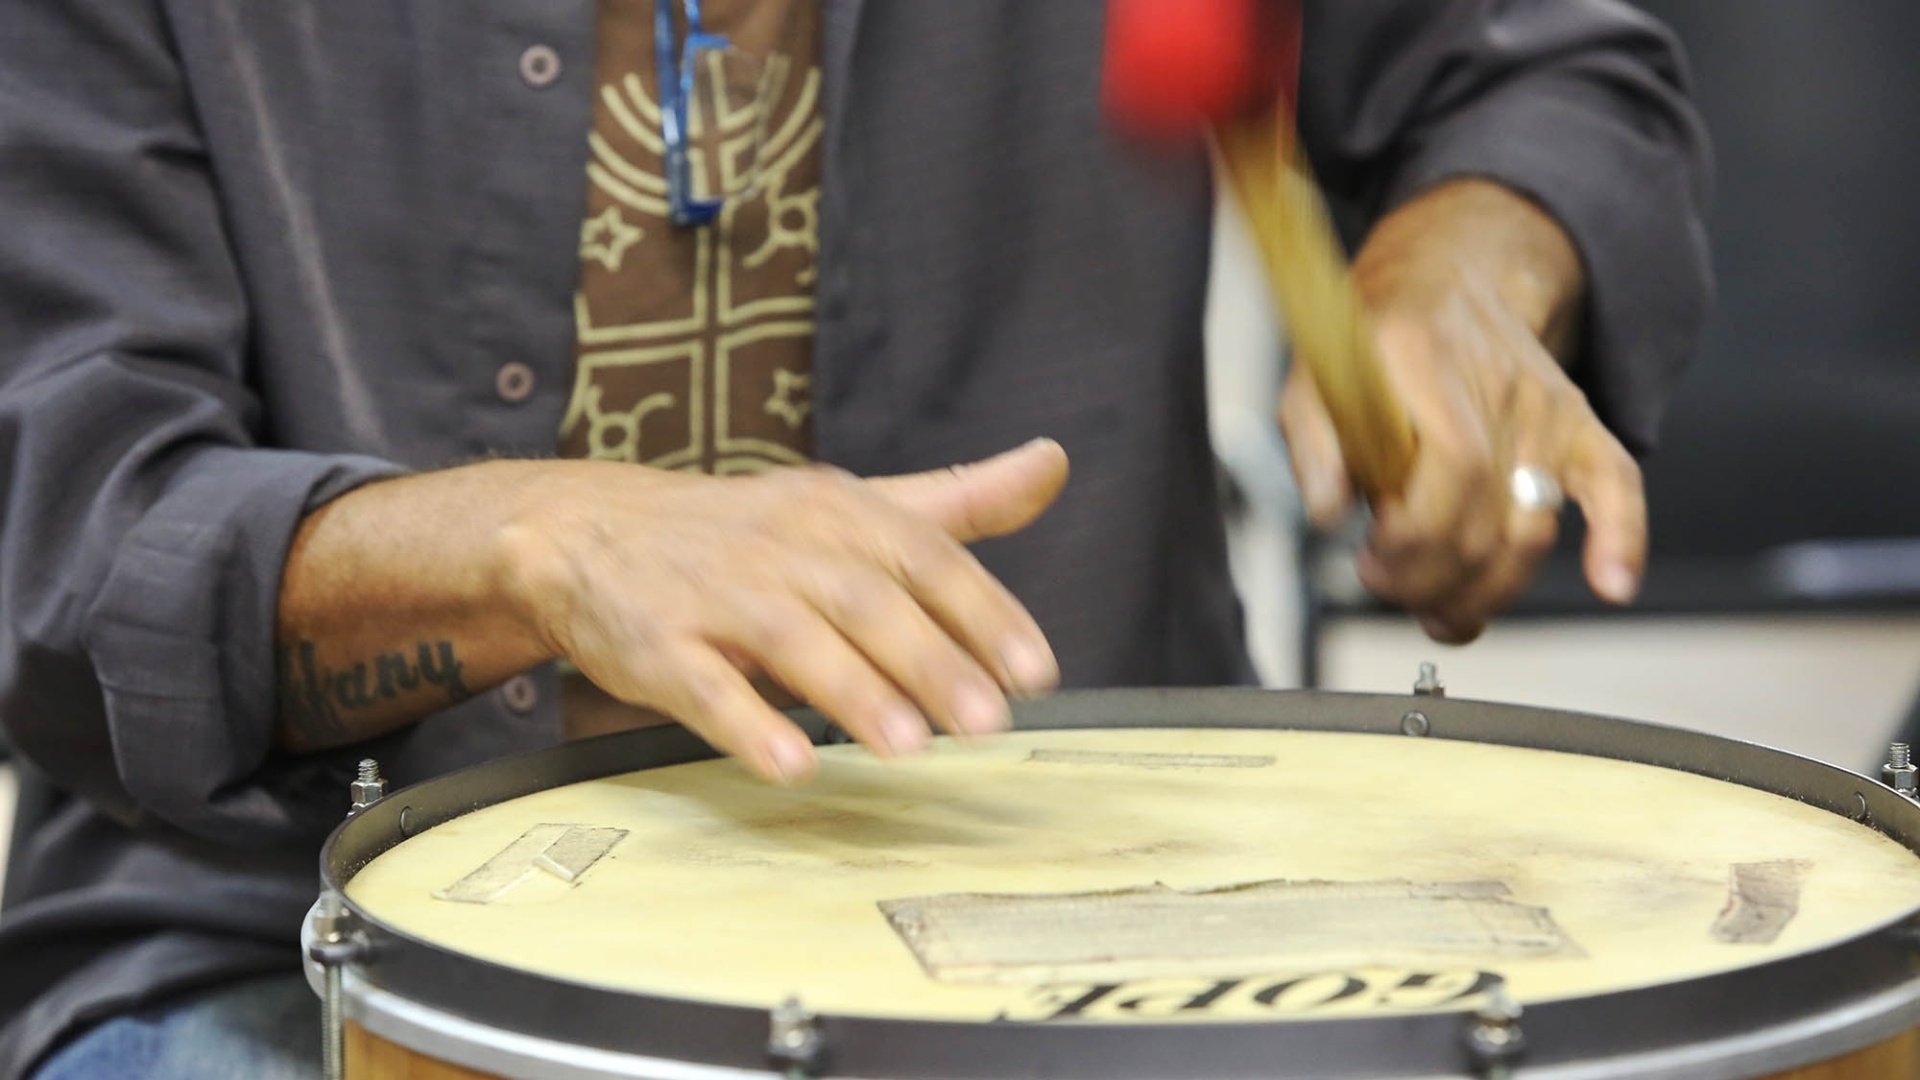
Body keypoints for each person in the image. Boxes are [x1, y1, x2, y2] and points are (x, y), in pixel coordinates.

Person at [0, 0, 1712, 1076]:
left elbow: (1541, 65)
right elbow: (65, 542)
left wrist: (1466, 276)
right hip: (288, 927)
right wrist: (533, 537)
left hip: (1101, 892)